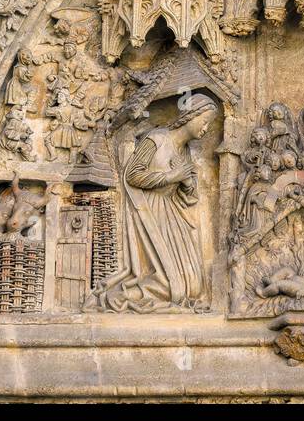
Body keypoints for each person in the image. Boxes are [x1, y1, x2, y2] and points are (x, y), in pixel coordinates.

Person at [86, 94, 218, 313]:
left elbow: (188, 197)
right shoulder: (157, 138)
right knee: (171, 285)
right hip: (150, 210)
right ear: (191, 115)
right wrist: (170, 177)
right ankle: (118, 297)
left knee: (194, 285)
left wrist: (186, 183)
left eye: (209, 125)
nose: (205, 129)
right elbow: (132, 175)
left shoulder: (185, 152)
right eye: (204, 122)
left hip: (172, 214)